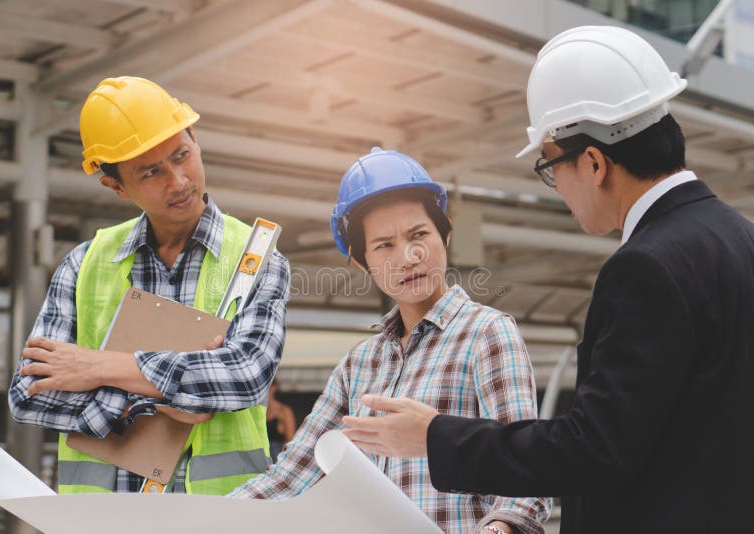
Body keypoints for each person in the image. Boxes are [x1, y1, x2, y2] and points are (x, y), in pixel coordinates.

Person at [342, 26, 754, 533]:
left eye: (551, 165)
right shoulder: (742, 239)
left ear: (595, 163)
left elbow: (594, 449)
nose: (555, 185)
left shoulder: (645, 267)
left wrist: (434, 436)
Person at [229, 148, 550, 534]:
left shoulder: (487, 334)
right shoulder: (359, 365)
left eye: (419, 235)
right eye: (384, 245)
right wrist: (192, 519)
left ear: (445, 232)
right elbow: (290, 478)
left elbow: (525, 475)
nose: (408, 257)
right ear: (361, 261)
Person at [8, 76, 291, 495]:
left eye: (182, 155)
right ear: (116, 186)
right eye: (152, 172)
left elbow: (246, 375)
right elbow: (29, 394)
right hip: (106, 517)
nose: (178, 181)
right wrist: (160, 397)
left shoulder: (256, 257)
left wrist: (96, 368)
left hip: (219, 515)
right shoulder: (83, 265)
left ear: (195, 140)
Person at [265, 378, 296, 461]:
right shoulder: (254, 411)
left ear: (273, 388)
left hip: (276, 458)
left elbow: (290, 440)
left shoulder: (284, 411)